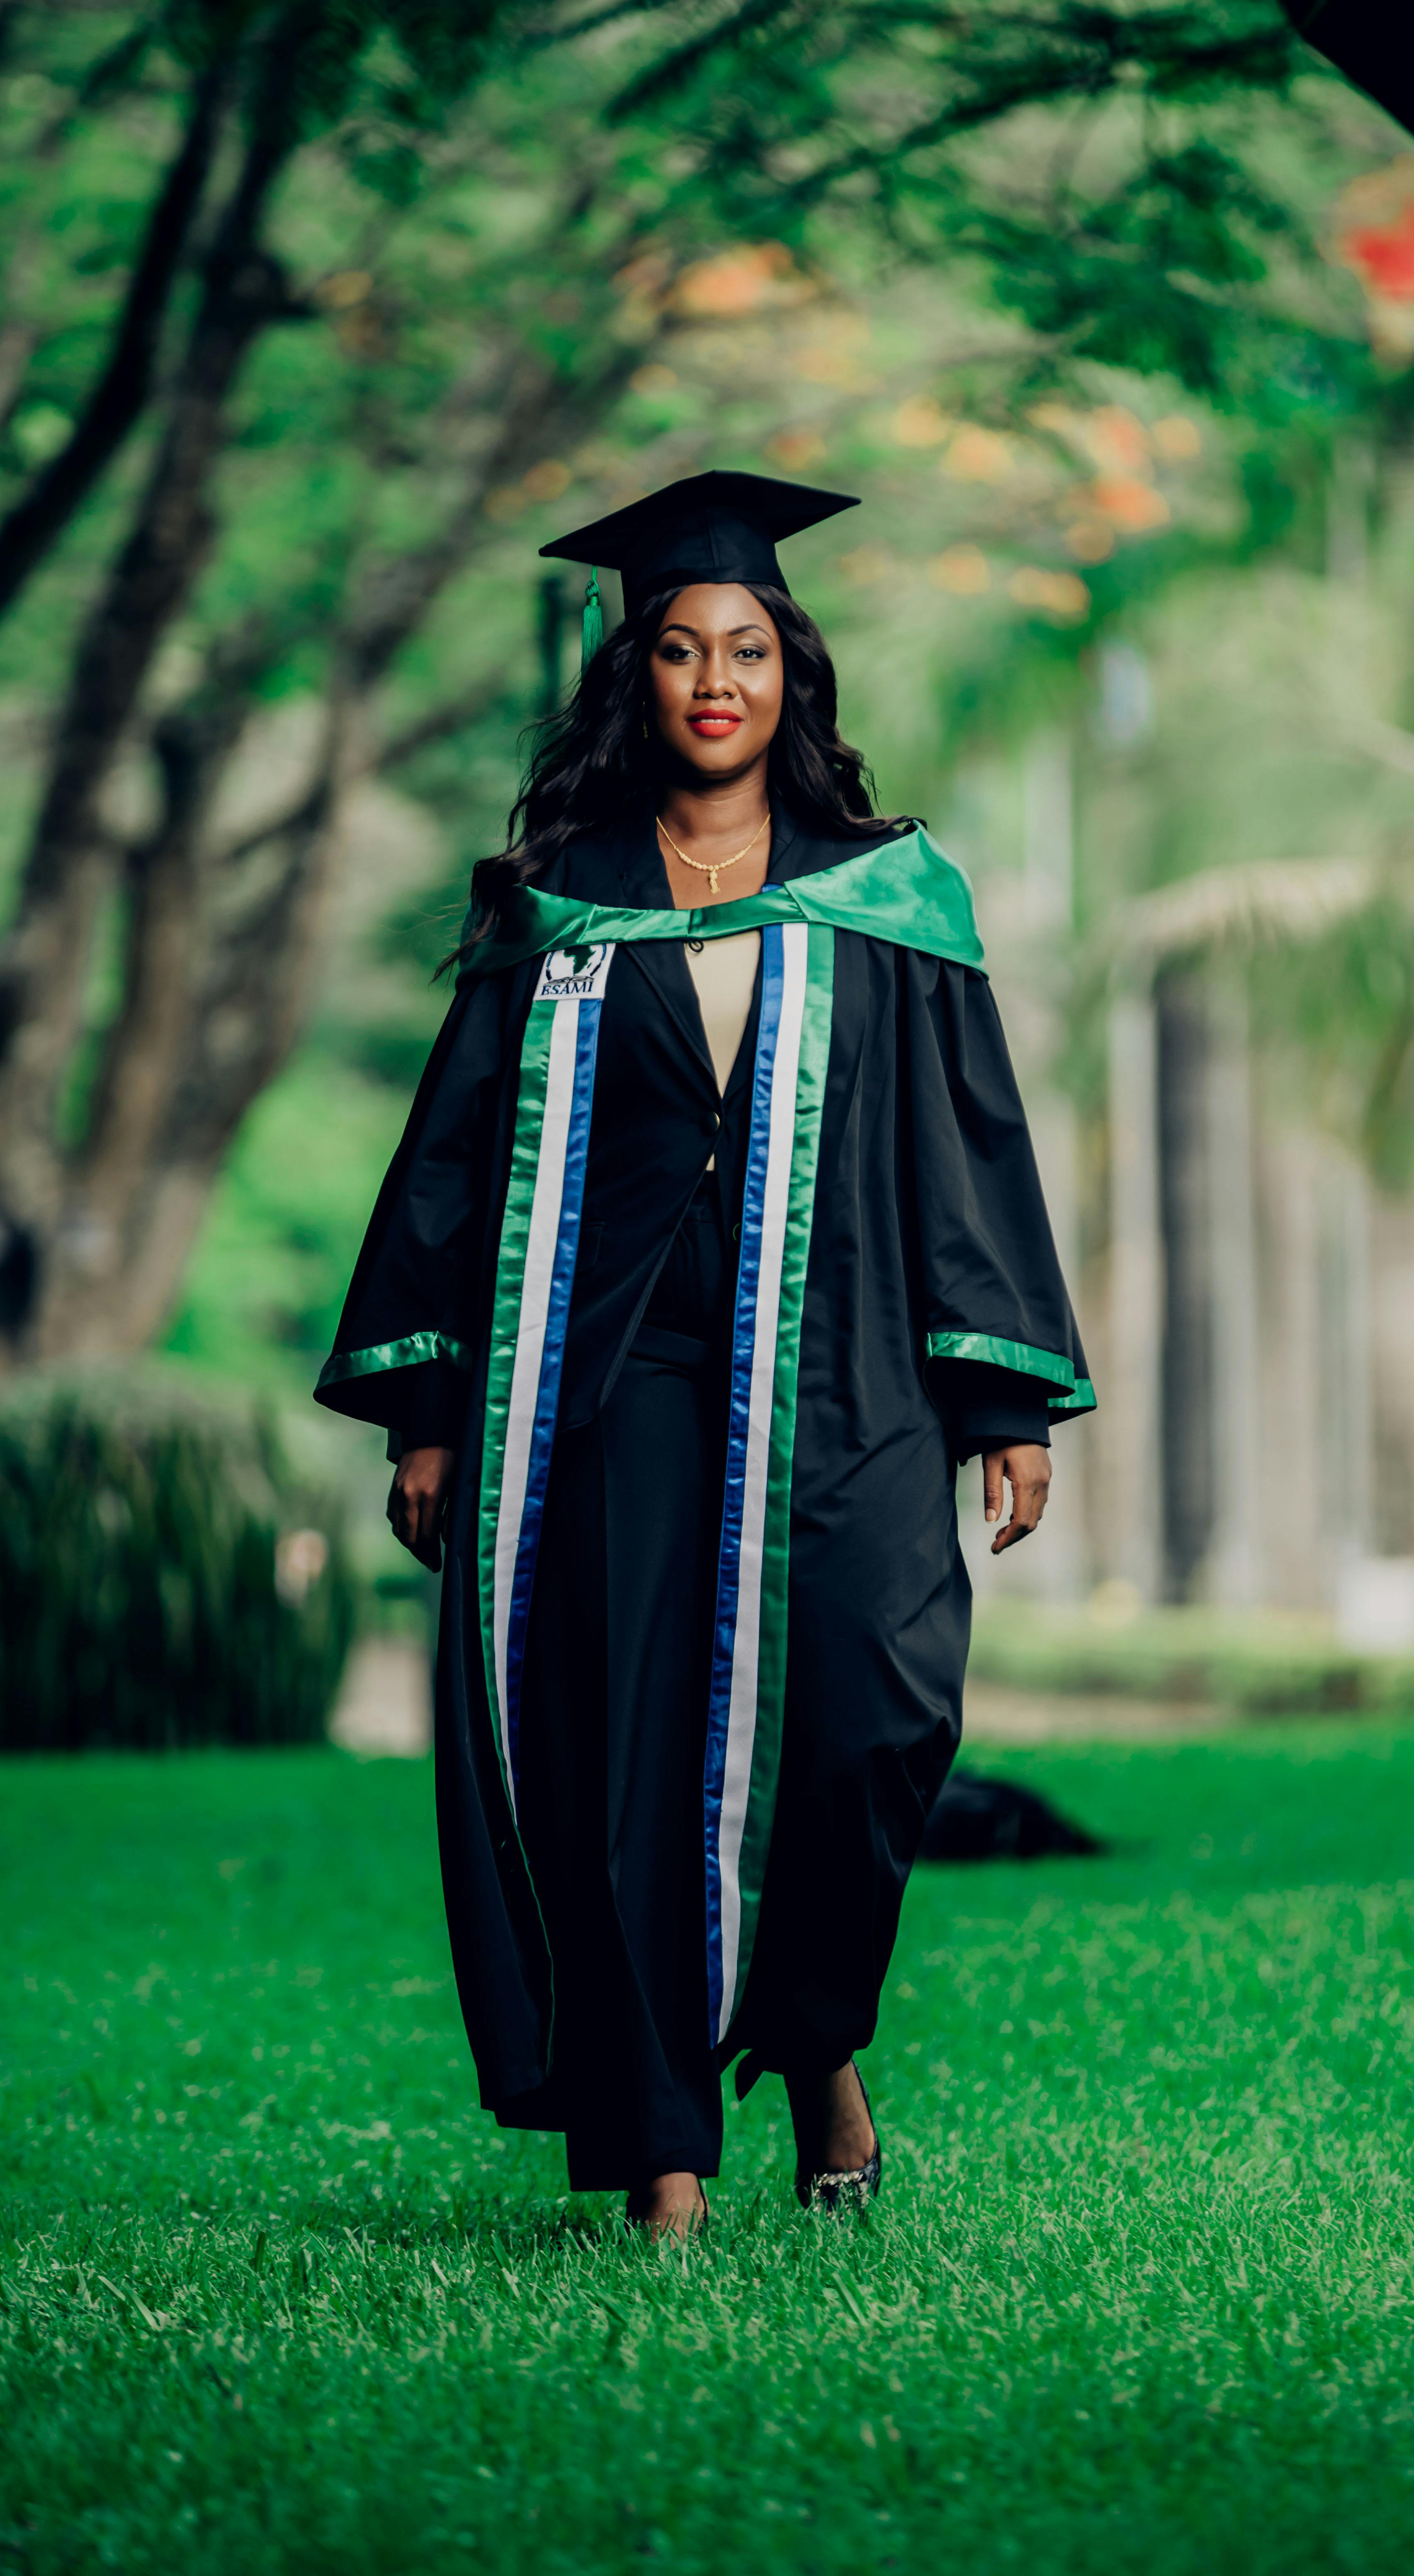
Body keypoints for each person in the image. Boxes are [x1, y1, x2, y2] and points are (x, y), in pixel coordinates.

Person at [315, 470, 1092, 2240]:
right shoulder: (556, 904)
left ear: (789, 670)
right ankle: (662, 2159)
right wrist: (426, 1413)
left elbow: (965, 1142)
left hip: (850, 1368)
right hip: (621, 1378)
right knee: (635, 1754)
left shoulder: (885, 894)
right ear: (636, 676)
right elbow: (454, 1158)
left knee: (871, 1719)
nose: (714, 681)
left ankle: (815, 2044)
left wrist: (1006, 1398)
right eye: (679, 649)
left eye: (744, 648)